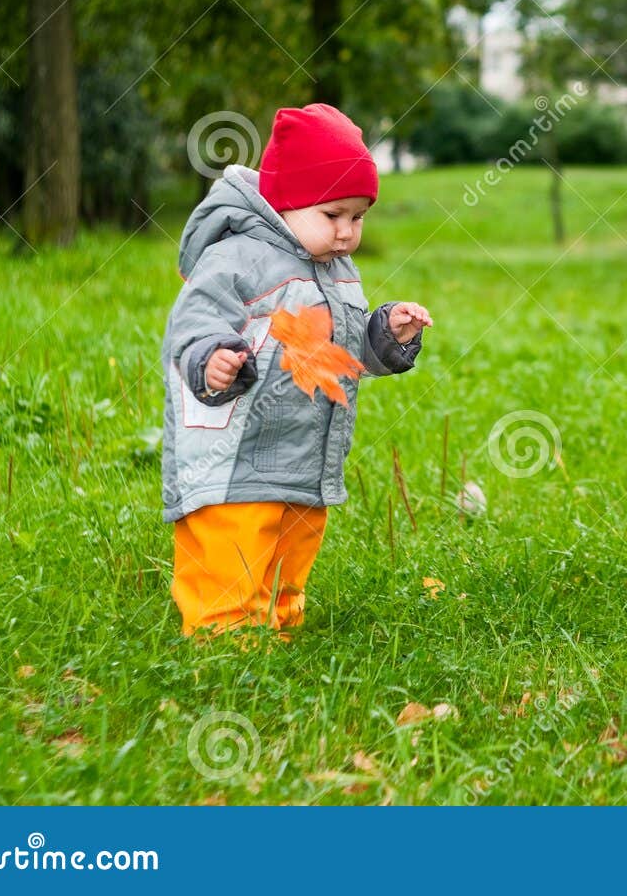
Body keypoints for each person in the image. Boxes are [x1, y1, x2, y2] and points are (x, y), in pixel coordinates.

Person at [160, 103, 432, 637]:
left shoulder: (337, 270)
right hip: (233, 454)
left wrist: (385, 335)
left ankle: (279, 626)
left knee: (291, 548)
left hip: (304, 451)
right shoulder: (235, 259)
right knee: (233, 549)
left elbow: (343, 349)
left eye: (358, 218)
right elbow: (192, 326)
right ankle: (223, 642)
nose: (347, 233)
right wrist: (211, 358)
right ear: (286, 201)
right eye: (333, 216)